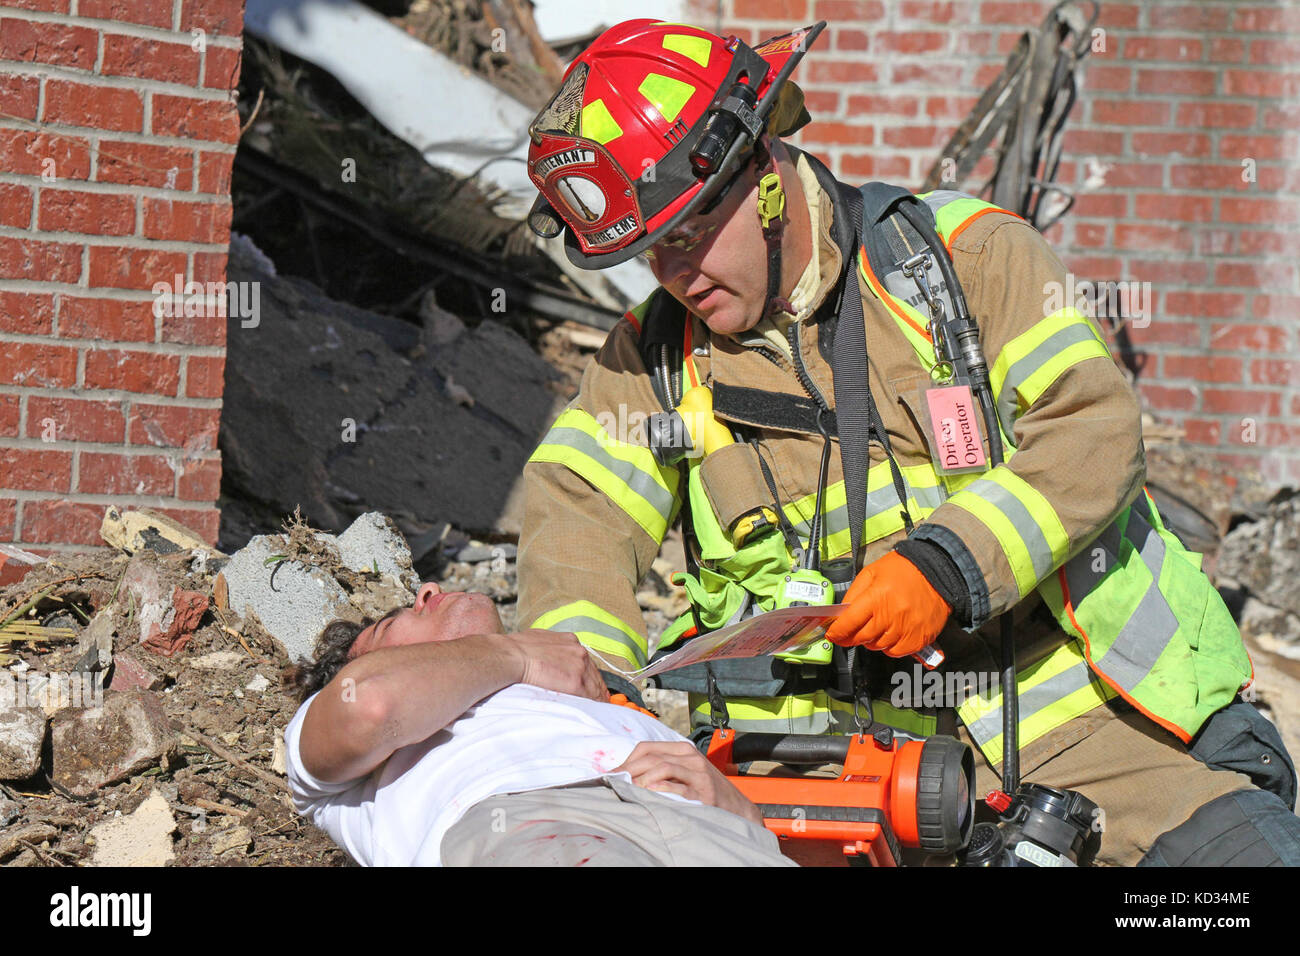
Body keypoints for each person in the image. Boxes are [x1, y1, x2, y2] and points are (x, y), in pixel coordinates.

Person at [515, 18, 1300, 865]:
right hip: (821, 781)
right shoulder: (652, 359)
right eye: (647, 251)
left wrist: (946, 565)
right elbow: (578, 522)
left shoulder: (967, 261)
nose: (675, 275)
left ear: (764, 177)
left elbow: (1091, 430)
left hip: (1082, 737)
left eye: (685, 234)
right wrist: (600, 704)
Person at [283, 581, 797, 866]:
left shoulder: (590, 704)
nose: (428, 589)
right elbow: (370, 707)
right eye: (393, 624)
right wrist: (513, 655)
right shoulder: (356, 754)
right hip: (537, 824)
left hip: (713, 834)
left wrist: (739, 811)